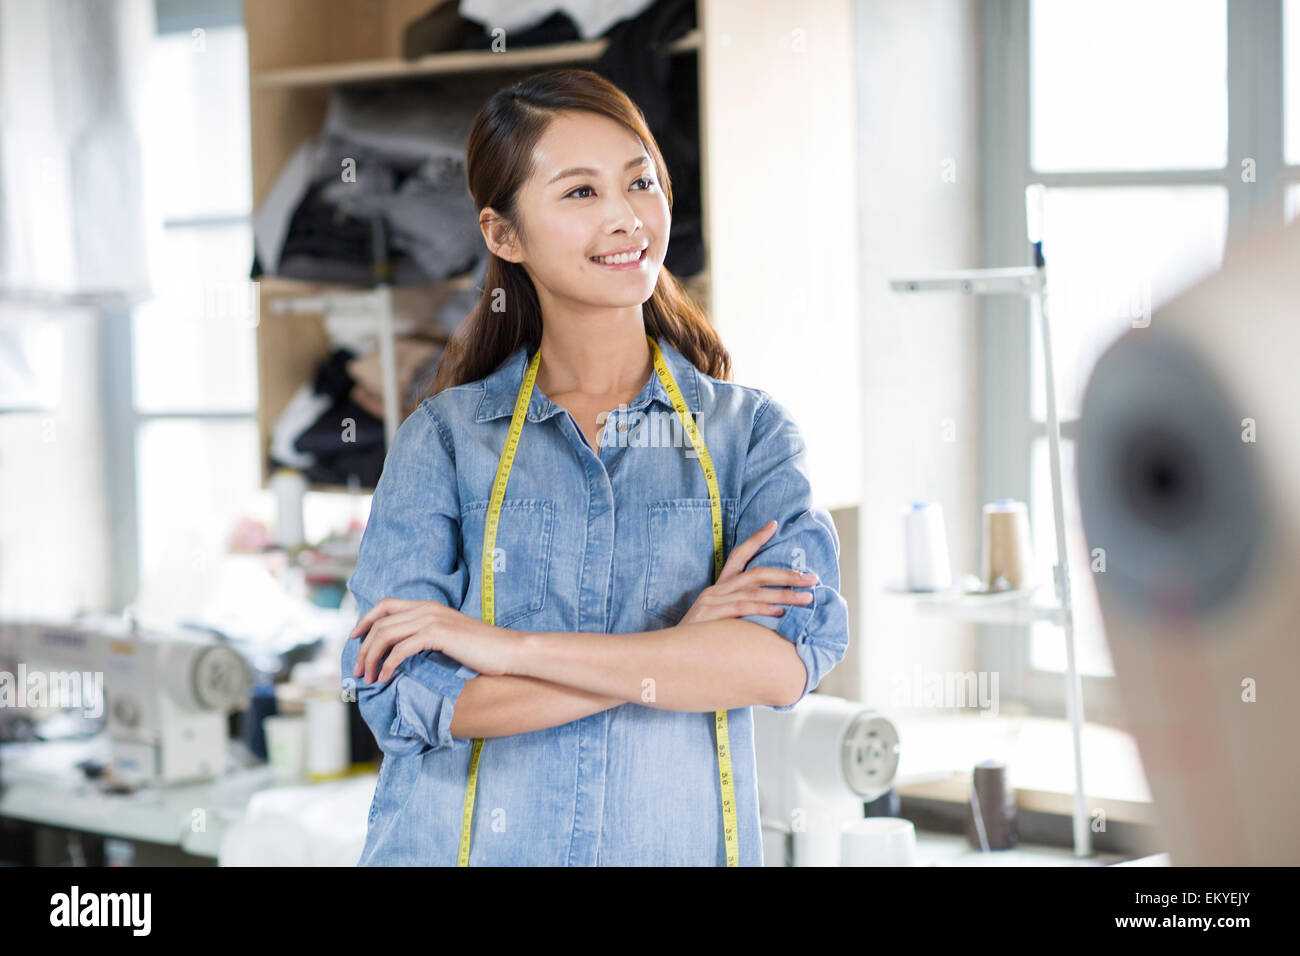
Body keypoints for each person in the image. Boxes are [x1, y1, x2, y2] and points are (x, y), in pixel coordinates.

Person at [341, 68, 849, 866]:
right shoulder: (441, 442)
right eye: (579, 193)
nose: (625, 217)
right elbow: (405, 697)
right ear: (504, 235)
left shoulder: (749, 436)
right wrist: (680, 650)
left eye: (640, 181)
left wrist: (502, 647)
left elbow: (780, 663)